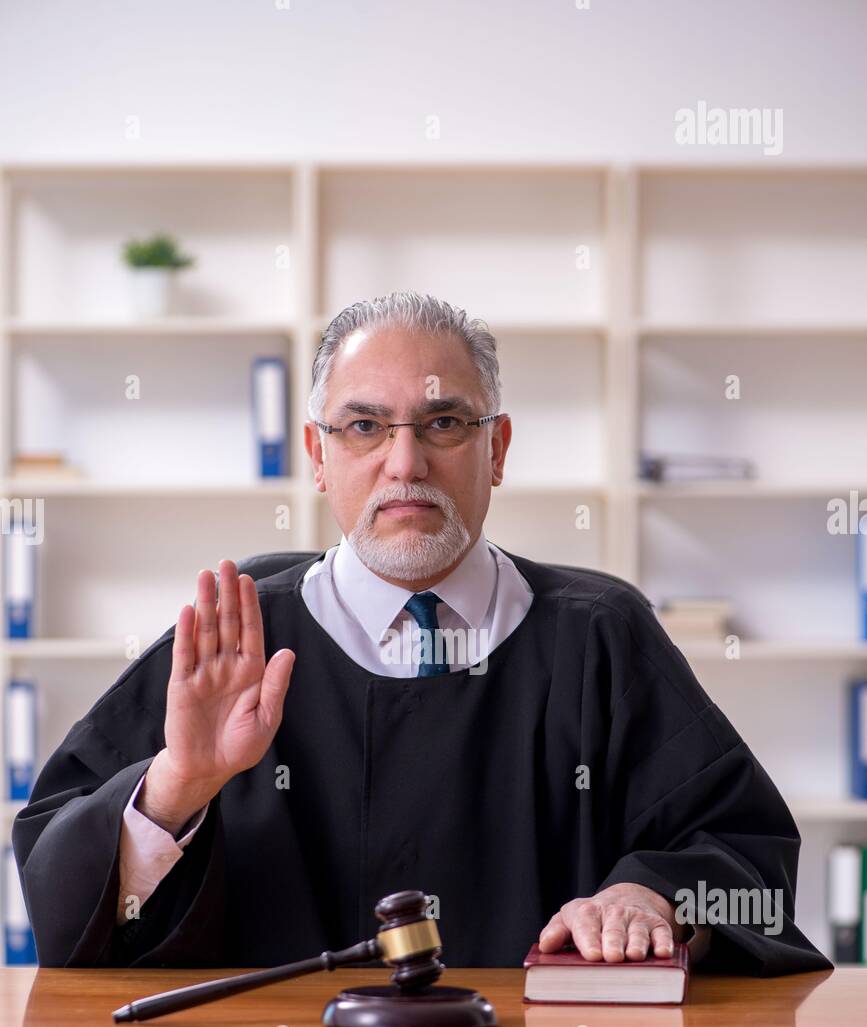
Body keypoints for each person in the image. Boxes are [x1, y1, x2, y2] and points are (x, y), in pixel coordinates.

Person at [13, 292, 830, 975]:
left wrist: (649, 893)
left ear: (496, 448)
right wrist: (176, 787)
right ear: (317, 456)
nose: (404, 465)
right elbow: (59, 894)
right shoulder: (237, 637)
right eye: (364, 427)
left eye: (442, 423)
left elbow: (740, 848)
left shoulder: (597, 639)